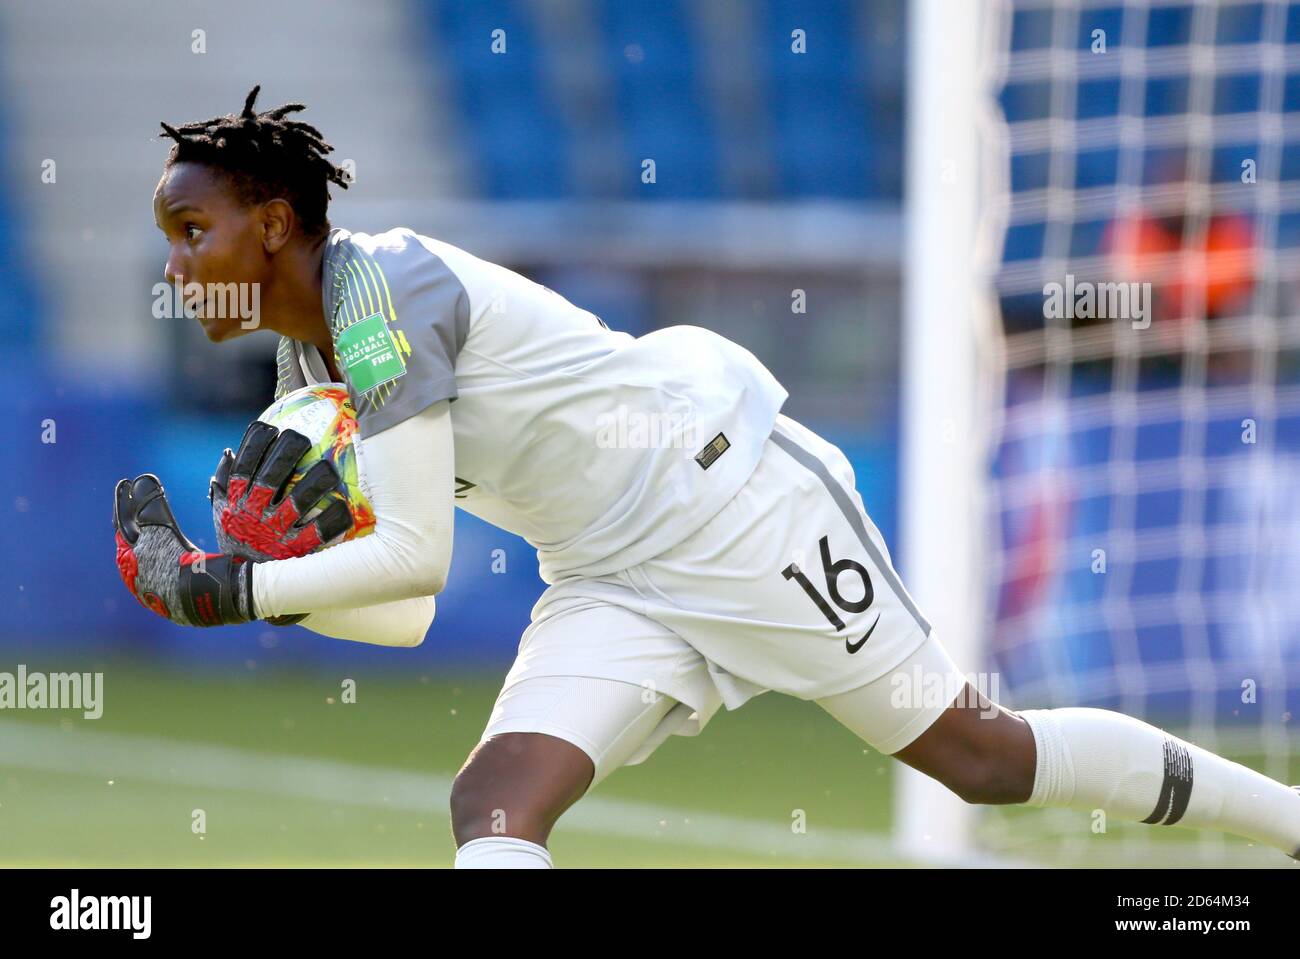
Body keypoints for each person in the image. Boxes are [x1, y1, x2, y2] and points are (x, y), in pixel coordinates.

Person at [114, 87, 1300, 868]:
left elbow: (416, 557)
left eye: (191, 230)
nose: (175, 265)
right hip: (604, 574)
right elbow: (410, 613)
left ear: (273, 222)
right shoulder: (305, 365)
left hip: (730, 507)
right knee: (494, 804)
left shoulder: (380, 308)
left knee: (980, 760)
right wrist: (259, 578)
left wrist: (236, 590)